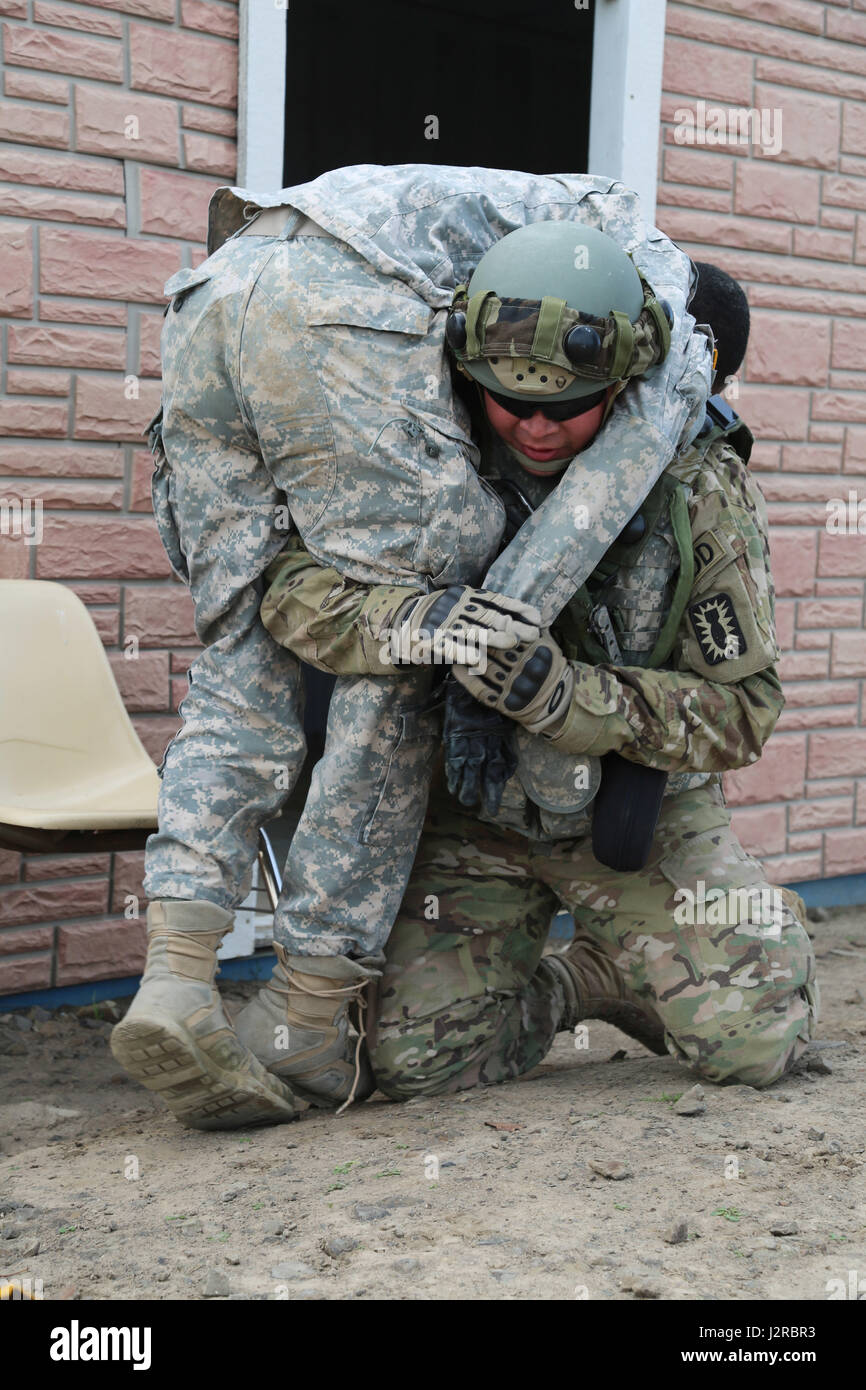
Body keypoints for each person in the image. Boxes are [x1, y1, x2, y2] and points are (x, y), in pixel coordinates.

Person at [111, 166, 708, 1128]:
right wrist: (488, 637)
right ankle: (305, 1011)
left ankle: (175, 975)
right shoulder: (661, 296)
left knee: (241, 643)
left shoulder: (516, 207)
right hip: (342, 316)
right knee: (404, 652)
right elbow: (608, 487)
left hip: (213, 297)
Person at [254, 237, 818, 1100]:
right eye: (509, 401)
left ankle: (743, 934)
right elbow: (289, 594)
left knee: (755, 1044)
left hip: (627, 804)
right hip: (473, 812)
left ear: (624, 385)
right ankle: (580, 979)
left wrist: (572, 700)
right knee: (418, 1064)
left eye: (571, 405)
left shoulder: (694, 489)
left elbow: (744, 711)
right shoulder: (417, 459)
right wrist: (410, 622)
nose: (537, 425)